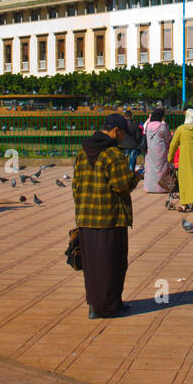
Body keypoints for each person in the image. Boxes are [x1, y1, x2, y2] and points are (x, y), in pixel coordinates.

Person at [73, 113, 141, 319]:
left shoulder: (82, 152)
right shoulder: (113, 154)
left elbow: (75, 186)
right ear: (115, 131)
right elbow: (121, 185)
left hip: (86, 218)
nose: (122, 138)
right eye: (121, 134)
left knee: (93, 265)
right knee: (113, 263)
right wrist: (135, 177)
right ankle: (110, 306)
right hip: (110, 218)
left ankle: (94, 305)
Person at [166, 108, 193, 211]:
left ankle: (184, 205)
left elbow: (173, 145)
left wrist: (170, 158)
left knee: (185, 181)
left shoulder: (180, 129)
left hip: (184, 160)